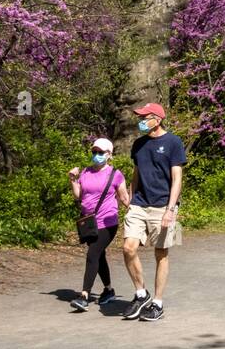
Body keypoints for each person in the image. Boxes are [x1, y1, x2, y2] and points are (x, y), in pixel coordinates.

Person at [122, 103, 187, 322]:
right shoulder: (139, 144)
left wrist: (171, 209)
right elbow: (136, 173)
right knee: (128, 248)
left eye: (144, 117)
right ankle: (141, 294)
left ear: (157, 119)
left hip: (162, 206)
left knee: (161, 254)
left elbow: (177, 178)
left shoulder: (173, 142)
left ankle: (157, 303)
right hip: (139, 204)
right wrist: (131, 197)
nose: (140, 120)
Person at [68, 138, 129, 311]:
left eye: (101, 153)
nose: (96, 155)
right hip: (89, 223)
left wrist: (137, 213)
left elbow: (124, 198)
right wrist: (73, 179)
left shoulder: (115, 174)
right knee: (99, 256)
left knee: (92, 254)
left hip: (108, 222)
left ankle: (84, 296)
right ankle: (109, 290)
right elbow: (79, 195)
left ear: (109, 155)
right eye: (94, 152)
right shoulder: (86, 172)